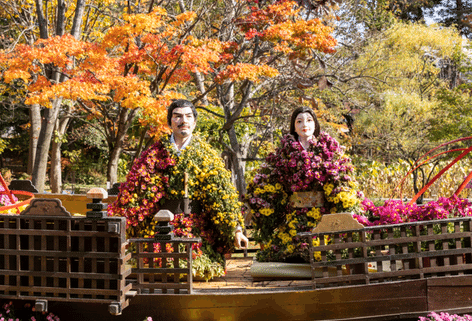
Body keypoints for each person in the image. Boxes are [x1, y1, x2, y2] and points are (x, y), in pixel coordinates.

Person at [108, 99, 247, 280]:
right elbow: (134, 193)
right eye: (178, 116)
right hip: (160, 227)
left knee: (196, 267)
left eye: (188, 116)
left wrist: (236, 230)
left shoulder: (206, 155)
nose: (183, 121)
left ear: (194, 122)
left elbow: (223, 198)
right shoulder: (154, 153)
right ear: (170, 122)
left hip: (196, 229)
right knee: (155, 265)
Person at [245, 107, 362, 263]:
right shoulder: (285, 150)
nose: (304, 125)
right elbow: (269, 175)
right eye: (299, 121)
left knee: (324, 248)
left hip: (322, 213)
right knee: (290, 250)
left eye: (309, 120)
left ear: (315, 124)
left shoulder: (328, 147)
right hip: (294, 213)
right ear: (294, 126)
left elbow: (342, 175)